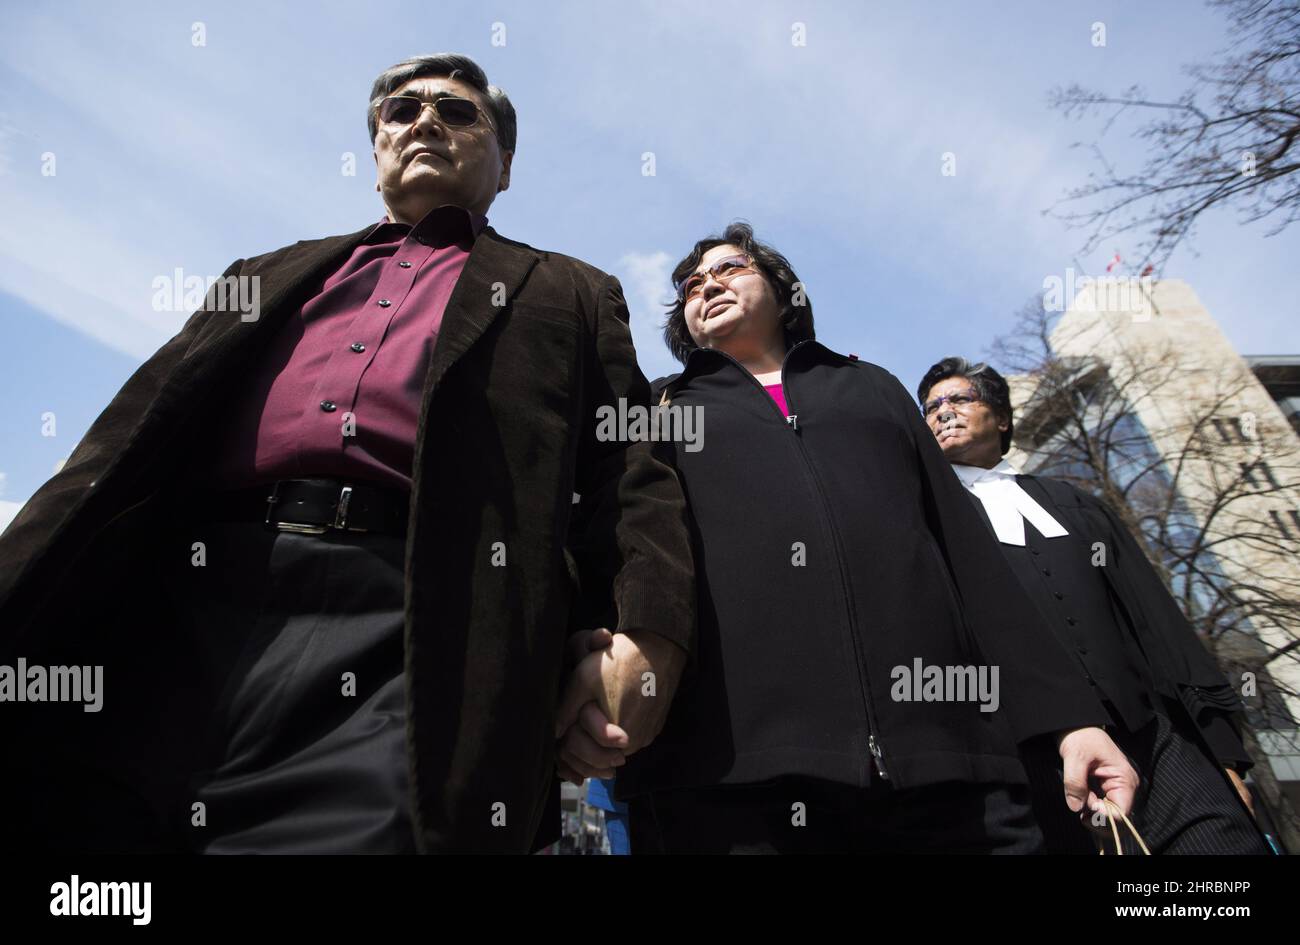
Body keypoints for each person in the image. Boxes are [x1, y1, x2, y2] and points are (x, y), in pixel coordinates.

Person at [0, 53, 694, 854]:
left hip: (411, 633)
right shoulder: (260, 275)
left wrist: (651, 636)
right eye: (401, 111)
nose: (425, 120)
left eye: (458, 112)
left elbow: (633, 468)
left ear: (504, 167)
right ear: (376, 158)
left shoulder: (569, 290)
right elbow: (126, 436)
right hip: (177, 607)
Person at [554, 222, 1138, 854]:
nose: (708, 285)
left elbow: (971, 559)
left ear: (784, 294)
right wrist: (587, 668)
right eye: (693, 285)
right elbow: (619, 539)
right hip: (726, 783)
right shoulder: (659, 410)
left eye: (731, 269)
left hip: (952, 774)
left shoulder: (875, 389)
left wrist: (1070, 720)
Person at [917, 356, 1270, 854]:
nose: (941, 413)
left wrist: (1226, 755)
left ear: (1001, 418)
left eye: (958, 399)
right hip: (1030, 763)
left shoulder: (1076, 502)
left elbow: (1159, 625)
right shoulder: (928, 519)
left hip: (1156, 740)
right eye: (930, 407)